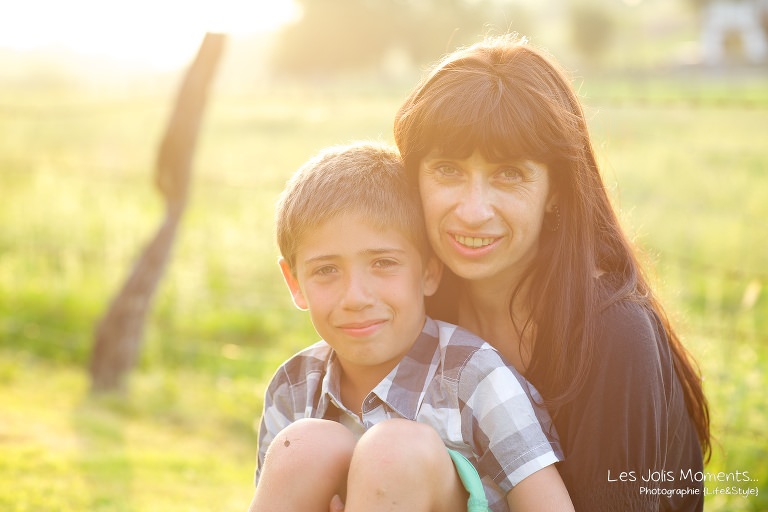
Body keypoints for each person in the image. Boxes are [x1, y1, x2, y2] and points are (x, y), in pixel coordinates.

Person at [393, 35, 711, 511]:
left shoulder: (613, 335)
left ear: (557, 191)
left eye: (509, 174)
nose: (473, 210)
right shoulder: (414, 308)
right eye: (447, 170)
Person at [247, 142, 574, 512]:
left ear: (430, 272)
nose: (355, 297)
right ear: (294, 282)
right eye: (326, 270)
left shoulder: (474, 377)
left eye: (384, 263)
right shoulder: (292, 386)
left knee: (394, 452)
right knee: (304, 446)